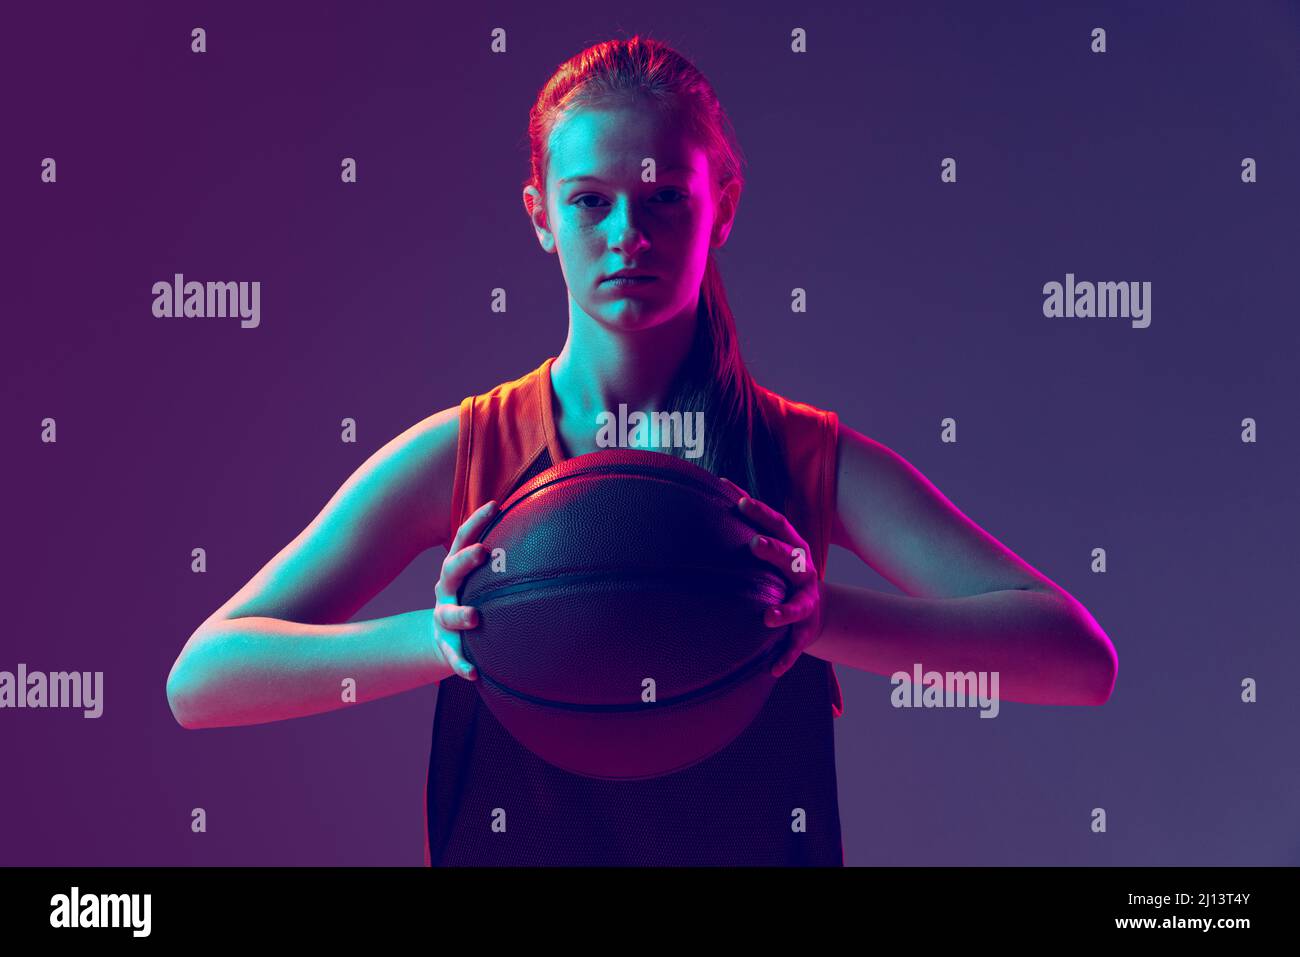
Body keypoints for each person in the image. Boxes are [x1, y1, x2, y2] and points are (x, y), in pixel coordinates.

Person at [165, 36, 1118, 867]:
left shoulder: (797, 457)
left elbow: (1078, 661)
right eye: (591, 203)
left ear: (724, 207)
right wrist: (442, 635)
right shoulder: (474, 452)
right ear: (540, 214)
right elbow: (202, 678)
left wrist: (814, 616)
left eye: (665, 198)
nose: (629, 234)